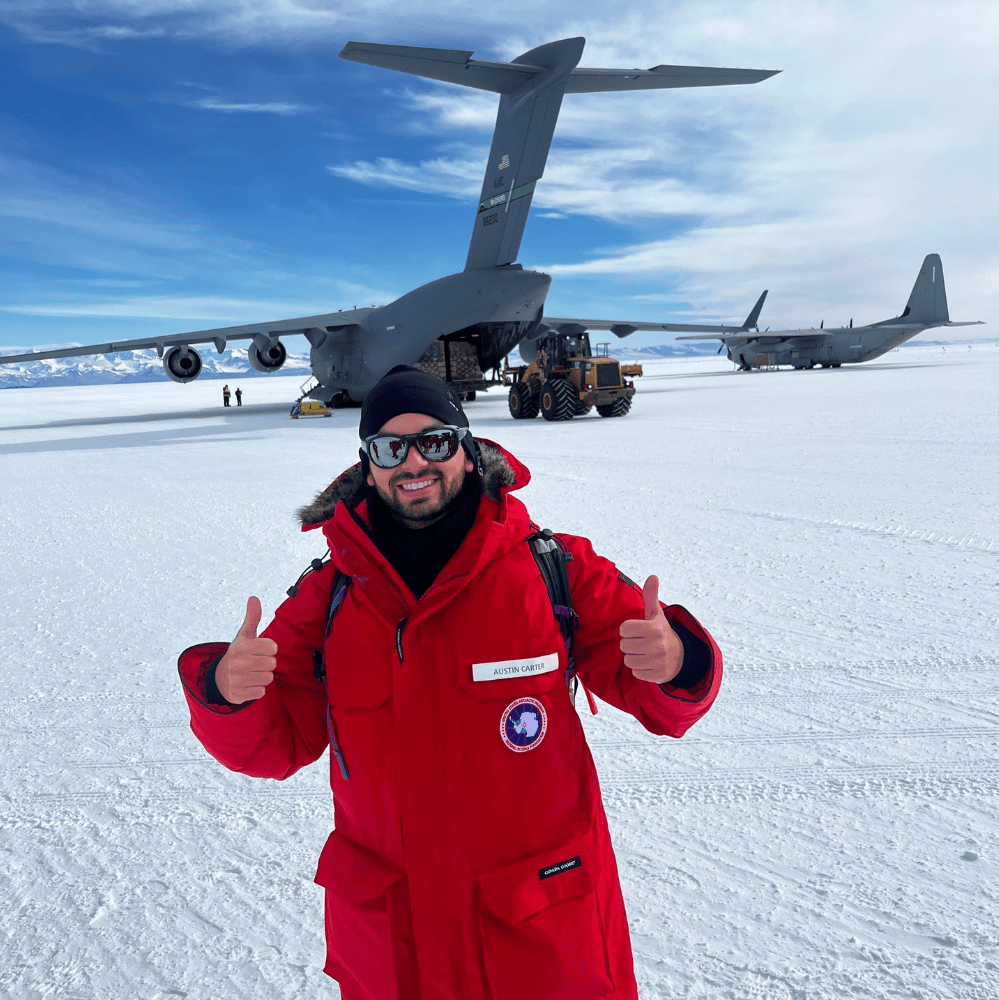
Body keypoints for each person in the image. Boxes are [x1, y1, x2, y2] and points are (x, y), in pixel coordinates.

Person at [178, 365, 722, 1000]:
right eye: (390, 447)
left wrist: (676, 659)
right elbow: (273, 745)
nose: (414, 463)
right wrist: (226, 692)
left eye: (434, 441)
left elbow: (671, 702)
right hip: (395, 946)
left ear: (467, 450)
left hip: (541, 938)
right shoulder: (329, 596)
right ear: (368, 466)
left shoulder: (555, 568)